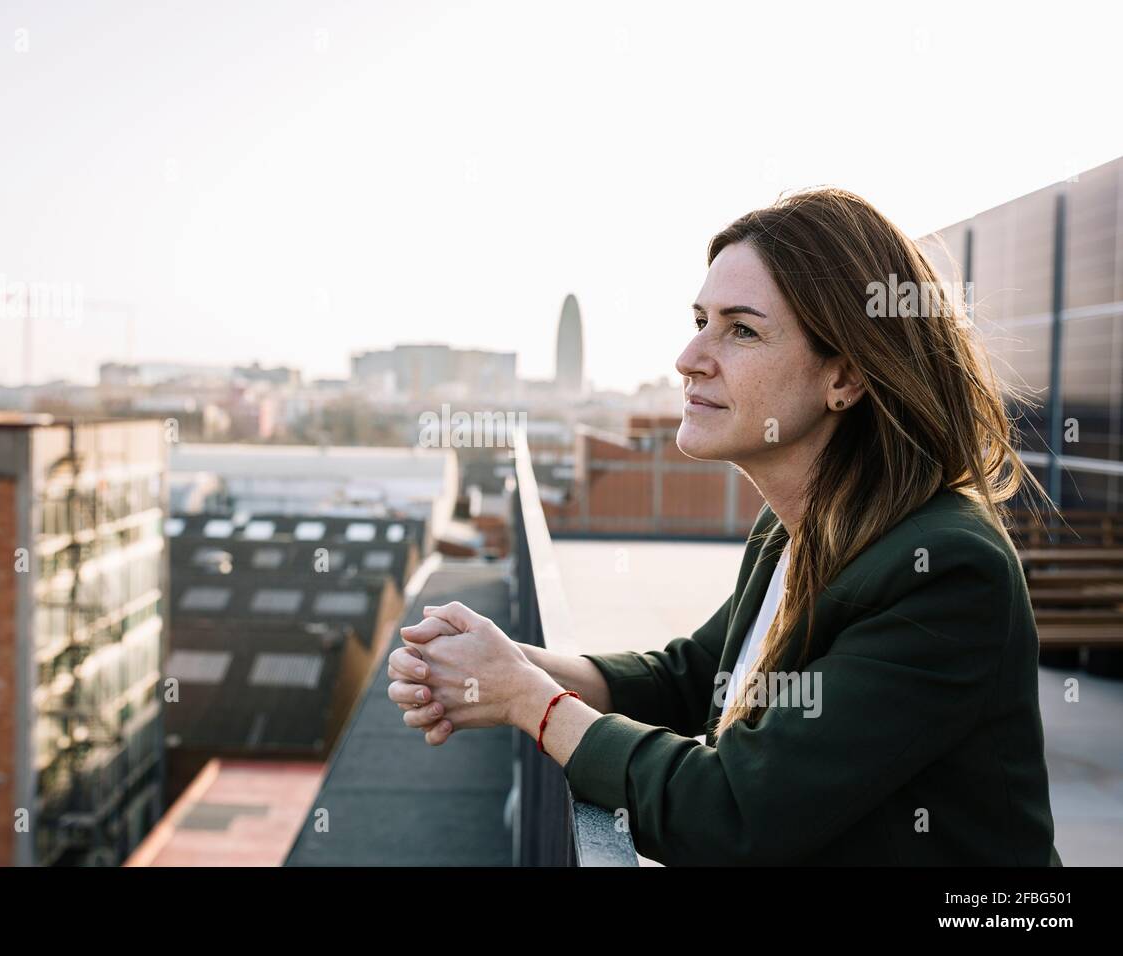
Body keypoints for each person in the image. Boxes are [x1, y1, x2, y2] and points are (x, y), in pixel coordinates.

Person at [389, 186, 1062, 865]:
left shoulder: (945, 570)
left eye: (741, 330)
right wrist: (510, 661)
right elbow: (694, 679)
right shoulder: (793, 526)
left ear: (846, 376)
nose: (689, 358)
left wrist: (529, 701)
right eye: (700, 319)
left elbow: (733, 812)